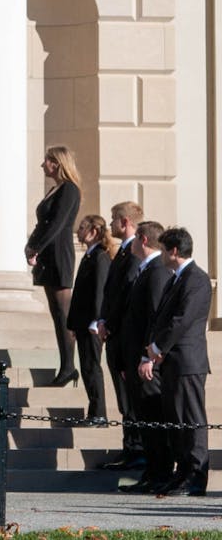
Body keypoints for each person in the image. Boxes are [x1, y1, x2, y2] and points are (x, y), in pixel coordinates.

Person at [143, 227, 212, 497]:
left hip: (187, 362)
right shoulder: (176, 279)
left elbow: (181, 320)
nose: (160, 255)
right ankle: (182, 473)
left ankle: (195, 477)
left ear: (174, 251)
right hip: (172, 363)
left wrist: (157, 347)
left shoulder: (196, 279)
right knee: (176, 422)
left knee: (191, 421)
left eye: (163, 250)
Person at [117, 221, 172, 494]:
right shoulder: (146, 268)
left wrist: (145, 356)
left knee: (153, 420)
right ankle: (152, 472)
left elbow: (154, 317)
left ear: (142, 238)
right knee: (145, 420)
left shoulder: (156, 270)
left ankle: (160, 473)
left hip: (147, 362)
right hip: (135, 359)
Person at [24, 145, 81, 387]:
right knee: (56, 313)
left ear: (57, 163)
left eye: (46, 161)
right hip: (49, 252)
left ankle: (68, 366)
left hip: (59, 252)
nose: (42, 165)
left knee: (64, 313)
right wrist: (31, 245)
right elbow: (44, 223)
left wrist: (36, 247)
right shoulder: (55, 189)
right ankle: (66, 365)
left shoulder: (69, 189)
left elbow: (56, 224)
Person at [96, 201, 145, 471]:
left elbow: (125, 292)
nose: (110, 223)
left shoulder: (134, 253)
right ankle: (130, 447)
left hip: (125, 336)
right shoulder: (123, 252)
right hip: (116, 335)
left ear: (125, 222)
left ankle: (137, 449)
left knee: (130, 398)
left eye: (114, 218)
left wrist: (108, 322)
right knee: (123, 399)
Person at [66, 215, 112, 424]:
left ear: (94, 231)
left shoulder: (101, 257)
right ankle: (94, 411)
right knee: (86, 367)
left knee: (92, 367)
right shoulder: (89, 256)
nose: (79, 230)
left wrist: (97, 320)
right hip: (83, 323)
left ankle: (99, 413)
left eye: (83, 227)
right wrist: (74, 323)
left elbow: (101, 291)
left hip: (92, 324)